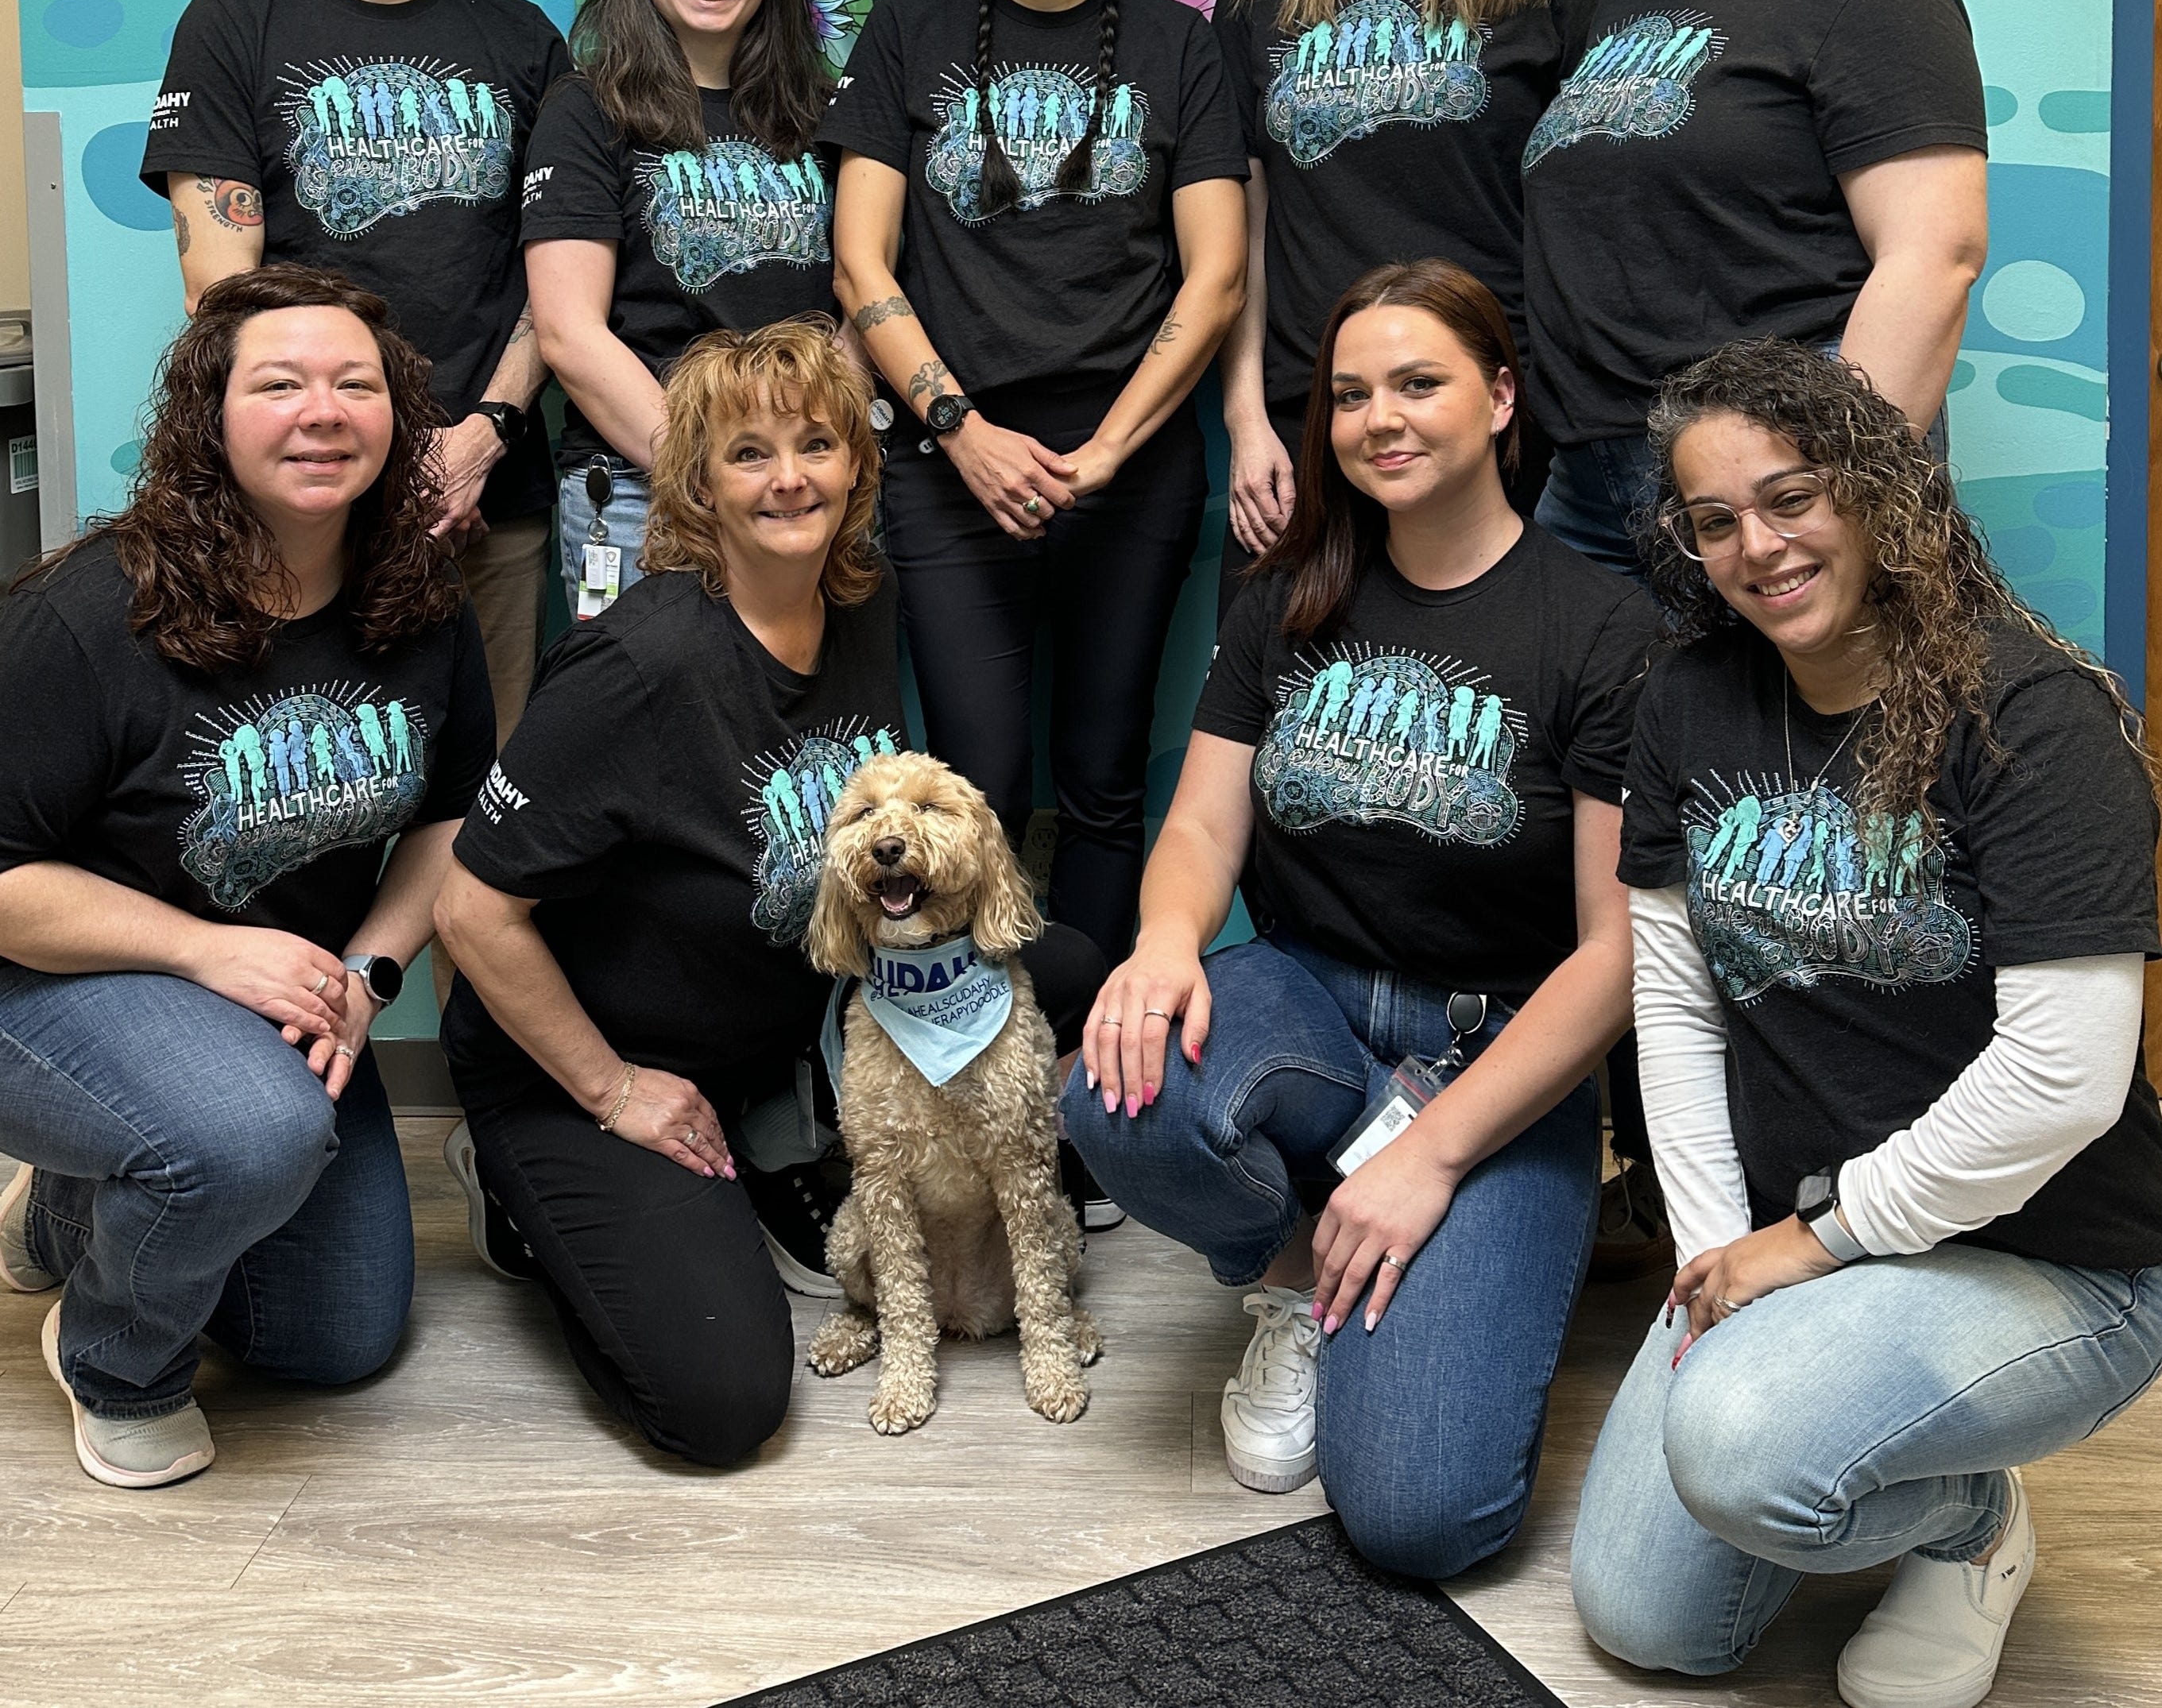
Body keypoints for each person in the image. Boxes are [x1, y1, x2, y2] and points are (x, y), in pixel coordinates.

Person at [1571, 338, 2162, 1708]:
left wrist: (1817, 1239)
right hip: (1800, 1239)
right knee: (1644, 1619)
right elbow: (1672, 1002)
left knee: (1737, 1451)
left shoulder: (2029, 716)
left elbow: (2064, 1082)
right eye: (1713, 520)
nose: (1756, 546)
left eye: (1791, 497)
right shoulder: (1688, 697)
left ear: (1877, 492)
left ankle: (1970, 1525)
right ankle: (1892, 1460)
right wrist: (1720, 1250)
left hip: (2055, 1258)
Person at [433, 322, 1106, 1465]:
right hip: (599, 1057)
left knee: (1073, 966)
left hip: (770, 1021)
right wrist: (613, 1090)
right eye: (749, 452)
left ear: (857, 464)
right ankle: (523, 1196)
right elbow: (468, 909)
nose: (789, 475)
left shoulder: (861, 594)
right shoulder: (637, 664)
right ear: (697, 479)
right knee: (725, 1402)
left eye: (815, 444)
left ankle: (772, 1131)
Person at [1070, 261, 1650, 1573]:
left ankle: (1385, 1214)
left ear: (1501, 397)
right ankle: (1286, 1275)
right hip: (1304, 1003)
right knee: (1116, 1090)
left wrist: (1435, 1152)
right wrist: (1164, 944)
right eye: (1348, 395)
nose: (1378, 416)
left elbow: (1614, 955)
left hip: (1499, 1051)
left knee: (1422, 1519)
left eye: (1418, 382)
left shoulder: (1603, 629)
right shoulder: (1288, 592)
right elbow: (1205, 828)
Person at [0, 264, 491, 1489]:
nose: (321, 409)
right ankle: (117, 1360)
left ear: (398, 414)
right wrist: (207, 948)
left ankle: (74, 1203)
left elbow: (446, 820)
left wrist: (371, 974)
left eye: (355, 384)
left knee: (327, 1339)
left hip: (282, 1004)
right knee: (247, 1134)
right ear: (211, 415)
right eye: (278, 383)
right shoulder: (90, 608)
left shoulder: (421, 605)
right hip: (52, 984)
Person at [826, 0, 1248, 958]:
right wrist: (959, 430)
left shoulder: (1181, 45)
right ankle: (971, 1065)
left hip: (1133, 466)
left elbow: (1214, 272)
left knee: (1108, 781)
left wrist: (1111, 447)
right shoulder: (907, 30)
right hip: (949, 460)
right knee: (975, 790)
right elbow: (861, 263)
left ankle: (1085, 1066)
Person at [142, 0, 570, 744]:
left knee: (485, 805)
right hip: (305, 502)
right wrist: (372, 464)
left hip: (488, 493)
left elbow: (558, 282)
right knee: (318, 790)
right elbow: (223, 296)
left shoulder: (521, 41)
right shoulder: (234, 22)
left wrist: (477, 440)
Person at [1522, 0, 1990, 578]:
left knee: (1791, 725)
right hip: (1591, 490)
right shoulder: (1622, 9)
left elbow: (1936, 257)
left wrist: (1812, 499)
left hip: (1768, 483)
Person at [1216, 0, 1600, 592]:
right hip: (1313, 427)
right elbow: (1246, 227)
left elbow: (1598, 205)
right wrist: (1247, 422)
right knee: (1290, 718)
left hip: (1501, 426)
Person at [520, 0, 840, 607]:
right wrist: (720, 477)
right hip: (642, 496)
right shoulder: (586, 110)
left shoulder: (825, 113)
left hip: (808, 495)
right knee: (656, 725)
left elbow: (864, 296)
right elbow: (569, 333)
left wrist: (794, 470)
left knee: (810, 726)